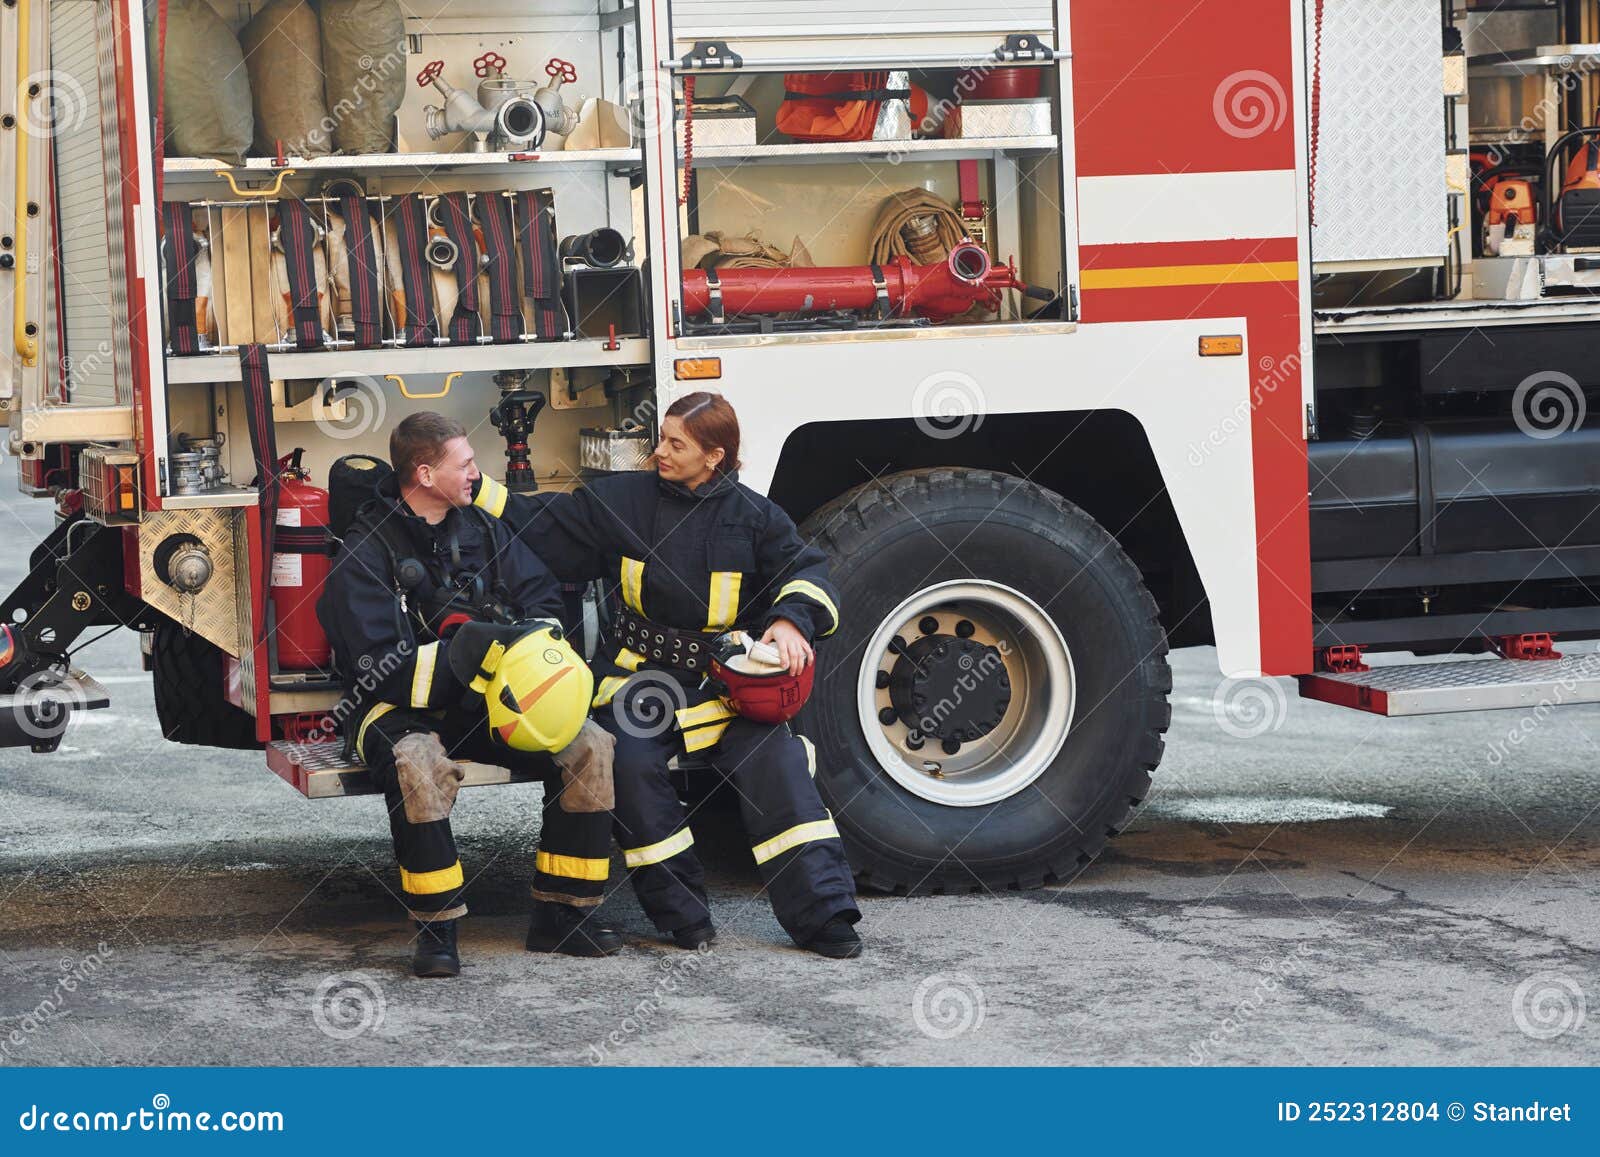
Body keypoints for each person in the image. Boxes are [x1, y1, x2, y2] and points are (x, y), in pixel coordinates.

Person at [475, 392, 863, 958]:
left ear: (714, 456)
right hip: (638, 681)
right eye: (661, 437)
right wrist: (470, 486)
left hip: (726, 689)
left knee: (779, 765)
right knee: (628, 764)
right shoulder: (622, 501)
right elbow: (540, 521)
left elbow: (808, 572)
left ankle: (825, 916)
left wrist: (790, 622)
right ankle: (683, 917)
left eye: (675, 443)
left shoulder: (757, 518)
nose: (659, 451)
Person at [317, 412, 621, 978]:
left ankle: (564, 917)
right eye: (467, 464)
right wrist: (470, 655)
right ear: (426, 473)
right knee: (418, 763)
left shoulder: (483, 527)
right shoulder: (365, 553)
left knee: (590, 745)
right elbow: (378, 668)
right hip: (394, 709)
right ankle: (437, 931)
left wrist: (518, 647)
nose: (477, 475)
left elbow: (546, 603)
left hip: (485, 703)